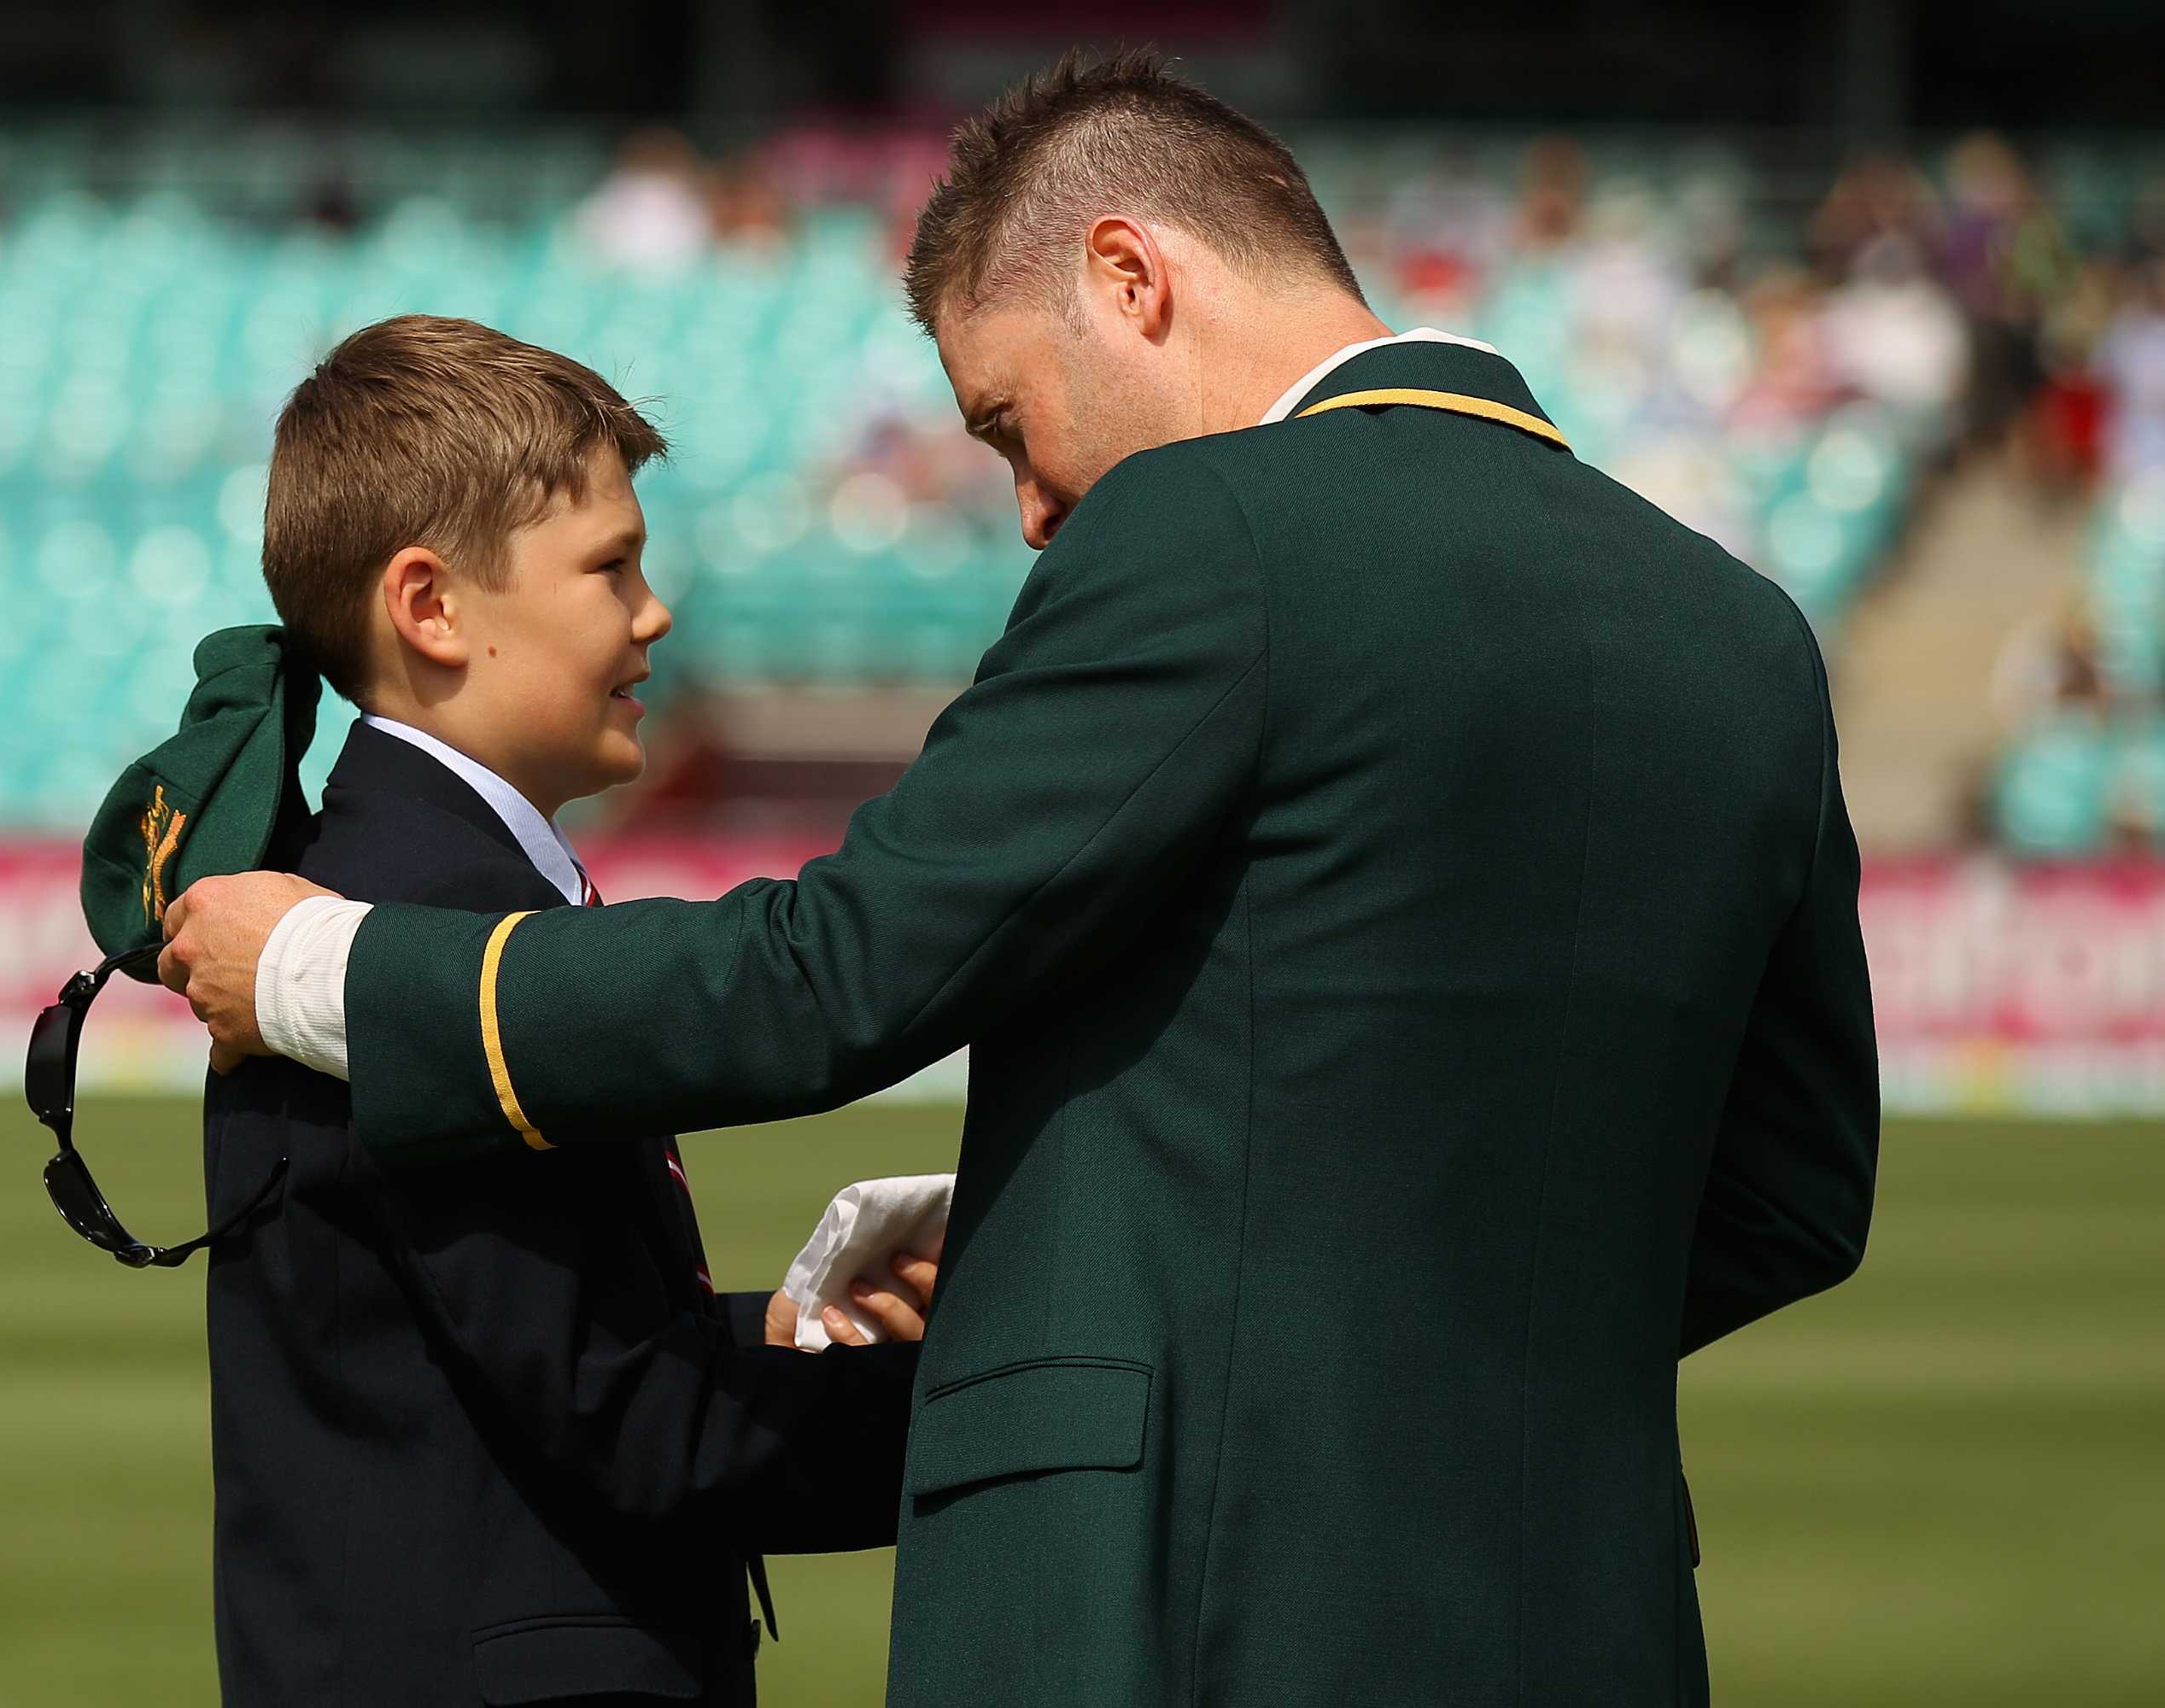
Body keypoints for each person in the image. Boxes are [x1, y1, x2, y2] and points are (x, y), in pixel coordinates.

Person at [154, 53, 1881, 1707]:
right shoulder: (1742, 634)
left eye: (1006, 422)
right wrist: (1085, 1234)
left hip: (1198, 1622)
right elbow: (1792, 1193)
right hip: (1596, 1623)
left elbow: (837, 968)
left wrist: (338, 977)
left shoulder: (1212, 530)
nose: (1036, 507)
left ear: (1131, 278)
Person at [151, 315, 934, 1707]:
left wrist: (805, 1333)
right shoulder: (427, 926)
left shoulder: (383, 891)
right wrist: (986, 1404)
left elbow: (551, 1349)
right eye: (609, 566)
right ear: (432, 606)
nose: (656, 609)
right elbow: (632, 1418)